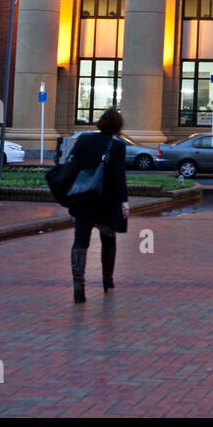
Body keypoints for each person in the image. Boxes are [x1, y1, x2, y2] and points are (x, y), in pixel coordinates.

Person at [66, 107, 129, 304]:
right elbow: (119, 176)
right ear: (118, 126)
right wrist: (123, 202)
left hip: (83, 197)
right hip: (106, 201)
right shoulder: (117, 146)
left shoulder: (84, 139)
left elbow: (71, 165)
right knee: (108, 239)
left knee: (80, 241)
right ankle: (107, 279)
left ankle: (79, 284)